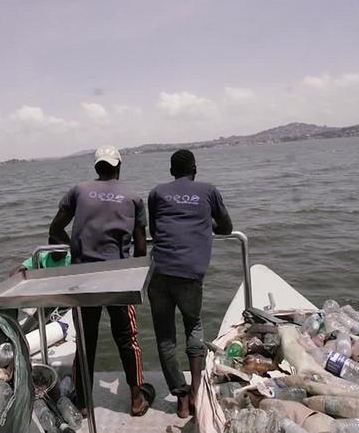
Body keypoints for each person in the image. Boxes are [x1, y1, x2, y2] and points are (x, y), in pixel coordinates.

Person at [48, 145, 155, 416]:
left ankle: (83, 403)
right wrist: (135, 277)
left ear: (96, 167)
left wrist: (74, 249)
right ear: (119, 167)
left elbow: (55, 228)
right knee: (127, 339)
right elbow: (141, 246)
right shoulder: (133, 197)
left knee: (85, 340)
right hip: (118, 277)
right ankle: (136, 400)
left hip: (82, 277)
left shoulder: (78, 191)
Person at [148, 149, 232, 418]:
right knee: (193, 324)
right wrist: (207, 227)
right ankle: (196, 390)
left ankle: (181, 397)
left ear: (171, 171)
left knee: (165, 336)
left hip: (159, 272)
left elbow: (155, 231)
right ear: (195, 170)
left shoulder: (157, 193)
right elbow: (227, 228)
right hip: (190, 275)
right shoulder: (208, 191)